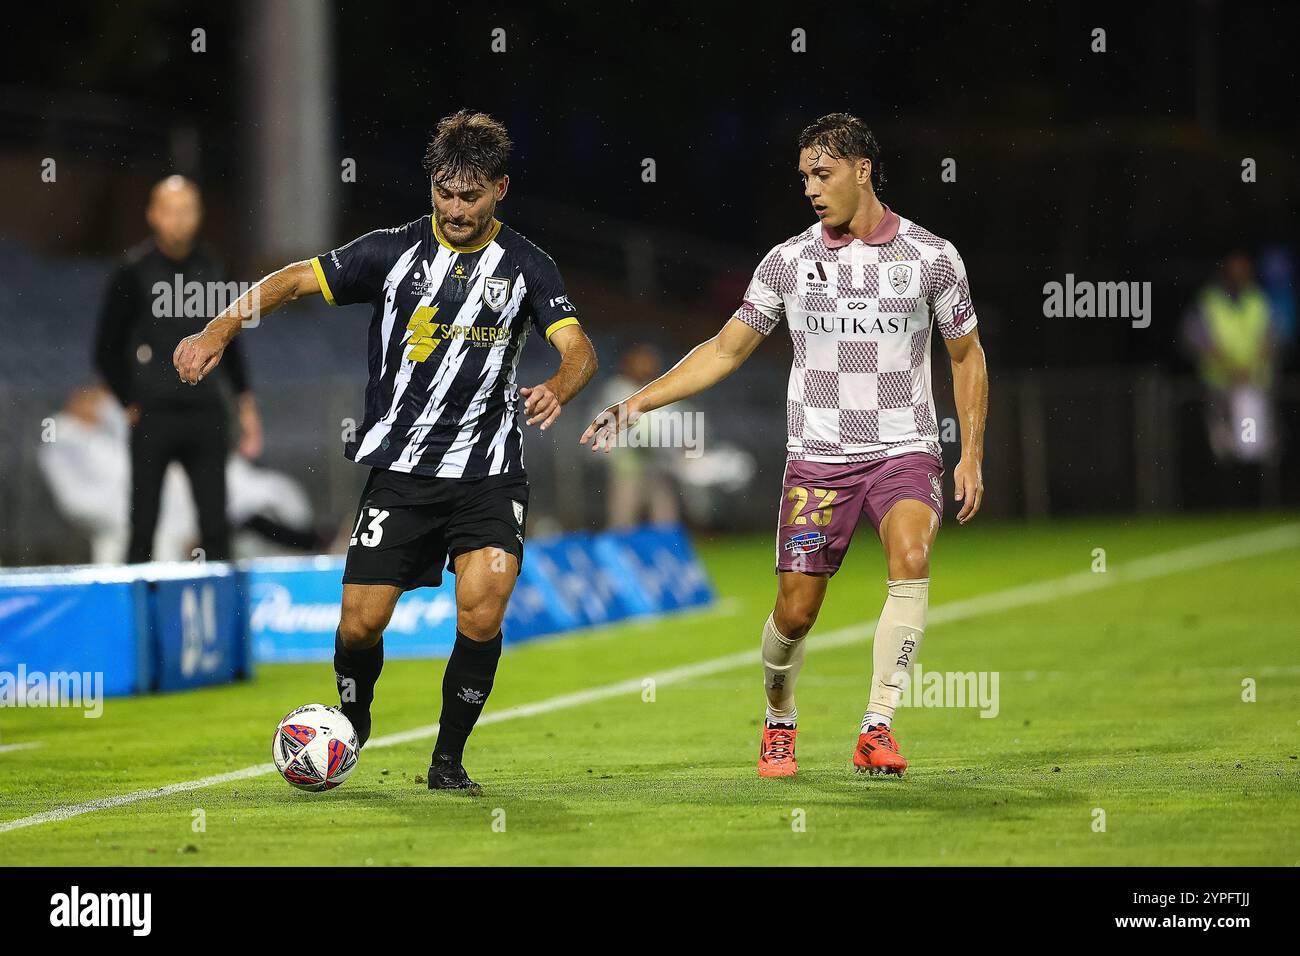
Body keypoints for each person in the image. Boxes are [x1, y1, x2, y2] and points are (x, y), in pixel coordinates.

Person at [174, 111, 598, 792]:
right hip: (401, 475)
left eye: (471, 195)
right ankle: (353, 718)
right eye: (445, 193)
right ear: (432, 185)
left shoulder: (526, 266)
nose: (456, 209)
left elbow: (578, 349)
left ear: (501, 190)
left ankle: (447, 760)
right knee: (360, 622)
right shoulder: (392, 251)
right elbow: (291, 281)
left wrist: (559, 386)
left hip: (489, 475)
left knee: (483, 607)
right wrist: (218, 331)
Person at [583, 113, 988, 778]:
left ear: (862, 170)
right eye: (803, 177)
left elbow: (967, 356)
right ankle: (779, 718)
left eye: (821, 174)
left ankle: (876, 726)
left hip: (904, 448)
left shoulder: (932, 257)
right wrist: (636, 401)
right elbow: (724, 349)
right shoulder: (789, 262)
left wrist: (970, 452)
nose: (810, 188)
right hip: (818, 459)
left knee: (911, 557)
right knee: (795, 613)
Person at [94, 175, 263, 563]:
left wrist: (246, 406)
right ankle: (140, 620)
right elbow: (105, 349)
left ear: (199, 214)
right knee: (143, 525)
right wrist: (130, 400)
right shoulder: (132, 271)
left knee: (216, 528)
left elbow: (231, 344)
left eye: (187, 210)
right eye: (170, 210)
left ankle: (222, 620)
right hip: (153, 414)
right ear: (153, 215)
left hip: (206, 413)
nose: (179, 220)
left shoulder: (214, 268)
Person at [1183, 251, 1279, 479]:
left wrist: (1251, 367)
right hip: (1220, 386)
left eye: (1243, 271)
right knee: (1222, 445)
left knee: (1254, 443)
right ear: (1224, 273)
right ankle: (1225, 498)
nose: (1239, 276)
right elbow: (1195, 338)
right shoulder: (1209, 301)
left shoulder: (1258, 300)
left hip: (1253, 385)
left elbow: (1271, 336)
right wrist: (1230, 368)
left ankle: (1256, 498)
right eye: (1234, 271)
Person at [590, 343, 681, 527]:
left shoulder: (661, 388)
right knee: (623, 520)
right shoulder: (615, 390)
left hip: (658, 466)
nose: (645, 366)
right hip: (626, 467)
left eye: (649, 361)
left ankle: (664, 554)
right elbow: (598, 425)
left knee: (665, 519)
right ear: (627, 363)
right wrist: (612, 455)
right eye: (640, 361)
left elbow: (675, 424)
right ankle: (621, 555)